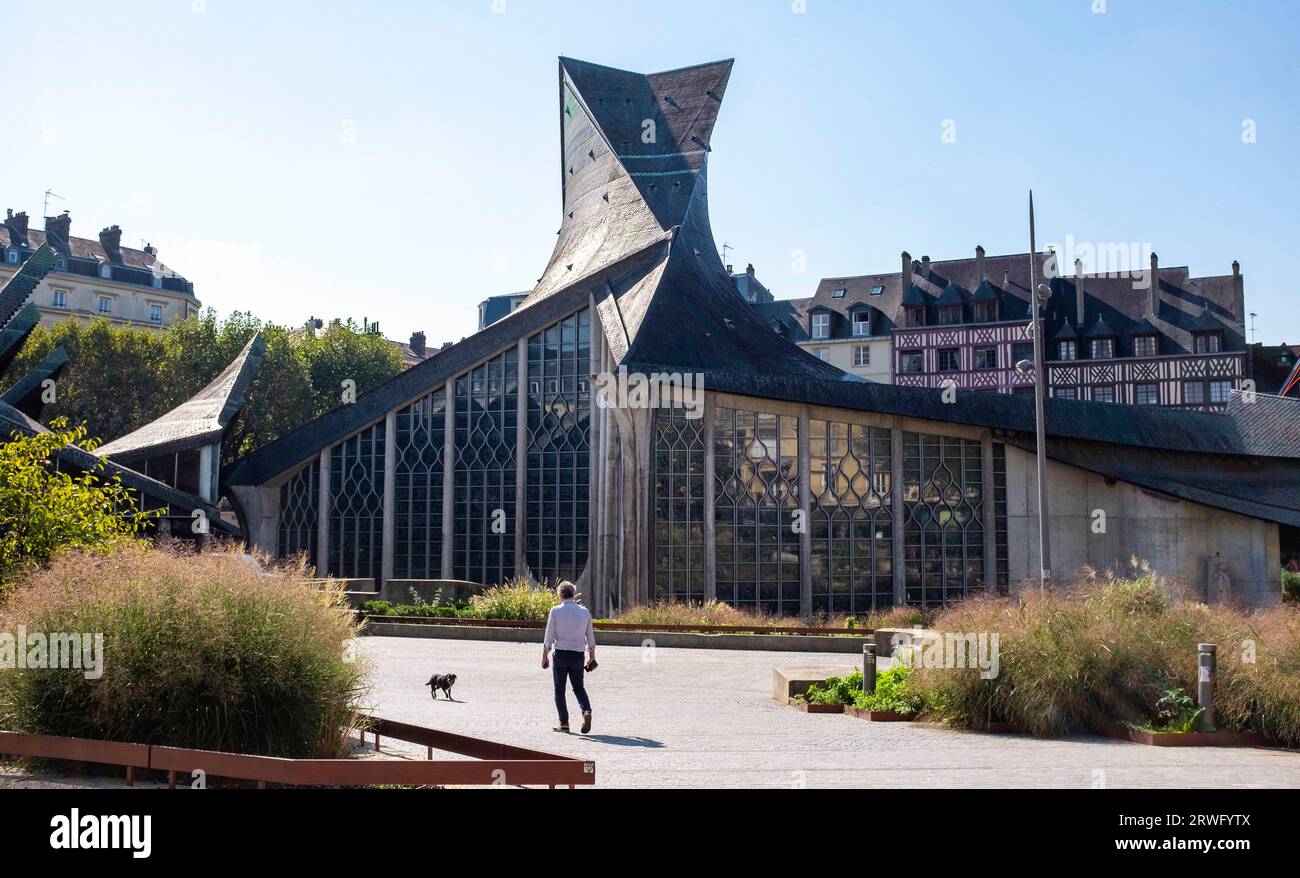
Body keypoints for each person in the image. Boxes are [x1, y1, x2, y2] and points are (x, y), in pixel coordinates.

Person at [541, 581, 596, 734]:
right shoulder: (584, 612)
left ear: (560, 595)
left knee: (559, 690)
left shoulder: (555, 611)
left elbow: (549, 635)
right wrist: (591, 656)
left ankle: (564, 723)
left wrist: (545, 654)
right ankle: (586, 711)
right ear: (573, 594)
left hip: (561, 654)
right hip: (578, 655)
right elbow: (590, 636)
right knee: (578, 687)